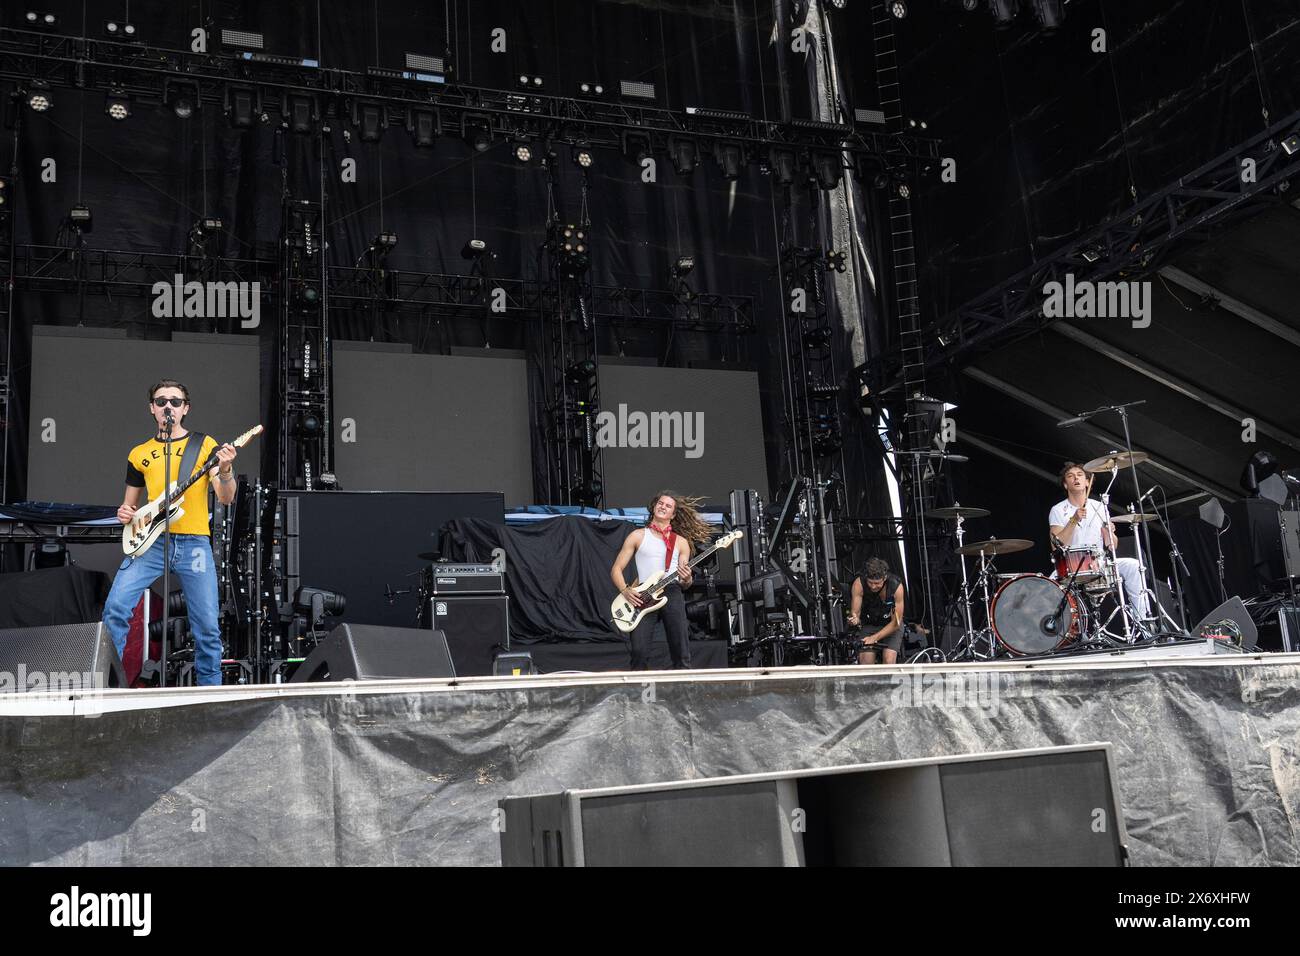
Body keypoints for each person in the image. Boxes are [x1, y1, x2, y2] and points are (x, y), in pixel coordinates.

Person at [102, 380, 238, 686]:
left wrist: (226, 469)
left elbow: (226, 496)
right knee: (115, 610)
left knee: (206, 625)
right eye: (161, 401)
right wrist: (125, 513)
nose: (168, 407)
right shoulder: (139, 453)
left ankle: (209, 697)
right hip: (151, 542)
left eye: (175, 402)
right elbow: (129, 506)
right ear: (152, 408)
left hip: (194, 544)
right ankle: (108, 688)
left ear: (185, 409)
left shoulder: (204, 446)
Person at [610, 491, 710, 670]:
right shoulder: (638, 536)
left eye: (668, 505)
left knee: (680, 648)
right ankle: (638, 693)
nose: (663, 506)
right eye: (660, 503)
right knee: (639, 651)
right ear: (654, 506)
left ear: (673, 515)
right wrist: (626, 590)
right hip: (643, 593)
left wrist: (687, 578)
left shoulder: (681, 542)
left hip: (671, 590)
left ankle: (684, 692)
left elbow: (685, 582)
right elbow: (616, 569)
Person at [1048, 461, 1149, 621]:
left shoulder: (1099, 506)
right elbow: (1056, 545)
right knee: (1048, 586)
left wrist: (1110, 533)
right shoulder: (1058, 510)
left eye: (1080, 475)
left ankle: (1143, 622)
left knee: (1134, 566)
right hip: (1071, 567)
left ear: (1088, 482)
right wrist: (1073, 520)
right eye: (1070, 476)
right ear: (1066, 484)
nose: (1076, 478)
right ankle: (1061, 634)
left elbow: (1112, 546)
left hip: (1099, 563)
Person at [848, 557, 905, 665]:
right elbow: (855, 613)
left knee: (889, 660)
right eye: (870, 582)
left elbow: (896, 623)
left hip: (891, 625)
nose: (873, 586)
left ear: (884, 578)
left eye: (877, 583)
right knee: (865, 662)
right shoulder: (859, 584)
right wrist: (854, 619)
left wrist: (874, 638)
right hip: (870, 623)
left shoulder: (896, 587)